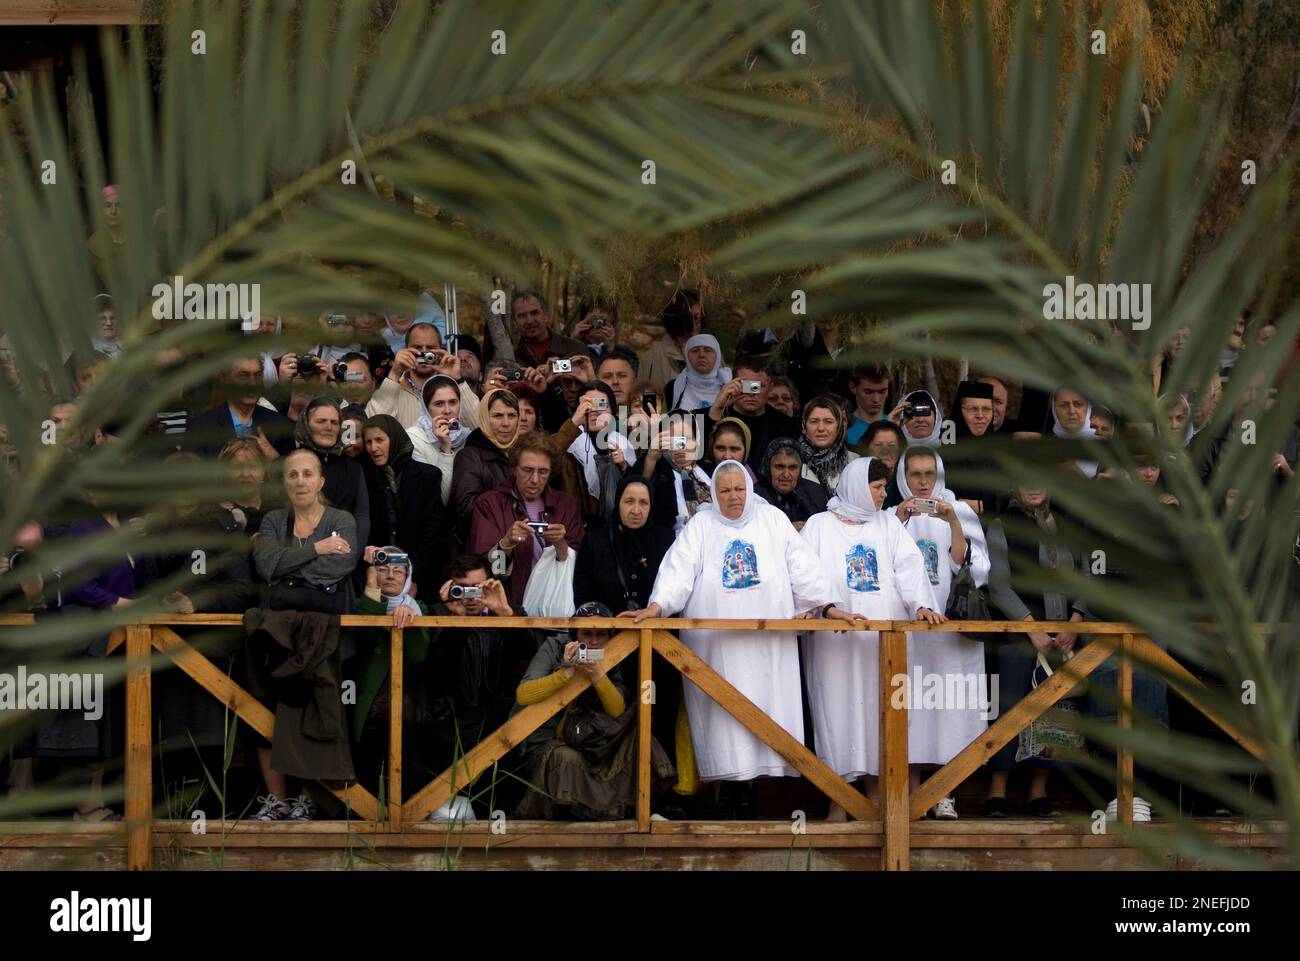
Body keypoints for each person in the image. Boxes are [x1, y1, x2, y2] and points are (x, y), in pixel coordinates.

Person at [625, 461, 856, 818]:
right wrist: (657, 606)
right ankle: (726, 795)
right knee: (720, 719)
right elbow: (678, 570)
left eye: (738, 489)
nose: (733, 497)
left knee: (760, 712)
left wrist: (828, 606)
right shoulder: (701, 525)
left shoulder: (773, 520)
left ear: (749, 490)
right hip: (716, 647)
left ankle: (749, 793)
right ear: (714, 494)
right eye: (724, 491)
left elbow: (803, 568)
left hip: (765, 646)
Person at [800, 458, 945, 818]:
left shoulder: (888, 526)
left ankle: (878, 802)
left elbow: (909, 570)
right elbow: (804, 573)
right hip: (835, 645)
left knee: (880, 715)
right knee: (836, 714)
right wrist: (824, 607)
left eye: (883, 487)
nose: (884, 494)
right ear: (855, 486)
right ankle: (839, 801)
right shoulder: (819, 526)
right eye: (877, 487)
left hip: (885, 642)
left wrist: (922, 604)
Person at [248, 448, 358, 821]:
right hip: (277, 636)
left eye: (307, 474)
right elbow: (265, 565)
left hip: (323, 636)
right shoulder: (273, 520)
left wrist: (288, 575)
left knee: (314, 712)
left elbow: (340, 566)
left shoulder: (340, 519)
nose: (300, 481)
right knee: (271, 711)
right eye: (292, 475)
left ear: (320, 480)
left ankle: (310, 797)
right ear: (284, 482)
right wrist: (316, 548)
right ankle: (277, 800)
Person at [893, 446, 990, 818]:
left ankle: (945, 793)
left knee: (950, 709)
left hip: (951, 631)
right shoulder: (891, 515)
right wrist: (899, 521)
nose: (921, 482)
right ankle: (911, 794)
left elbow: (975, 571)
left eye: (928, 475)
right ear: (904, 475)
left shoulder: (960, 511)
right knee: (911, 709)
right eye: (915, 474)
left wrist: (952, 522)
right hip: (911, 632)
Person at [515, 602, 676, 820]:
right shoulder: (555, 646)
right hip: (552, 737)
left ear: (610, 636)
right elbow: (524, 694)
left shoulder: (612, 652)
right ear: (574, 633)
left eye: (601, 634)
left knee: (640, 737)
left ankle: (646, 810)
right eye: (586, 633)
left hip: (595, 738)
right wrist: (563, 673)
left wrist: (598, 675)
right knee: (563, 757)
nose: (592, 641)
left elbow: (617, 709)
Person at [986, 485, 1086, 818]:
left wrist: (1075, 620)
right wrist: (1032, 628)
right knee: (1010, 707)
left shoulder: (1068, 526)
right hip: (1019, 635)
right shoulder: (1003, 524)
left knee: (1057, 710)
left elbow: (1087, 575)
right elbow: (998, 582)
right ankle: (997, 791)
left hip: (1064, 637)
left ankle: (1037, 792)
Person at [348, 546, 432, 794]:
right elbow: (361, 639)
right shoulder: (358, 604)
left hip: (408, 710)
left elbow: (419, 655)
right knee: (365, 773)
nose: (391, 575)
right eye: (383, 569)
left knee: (406, 777)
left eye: (399, 570)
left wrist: (411, 622)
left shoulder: (420, 608)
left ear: (408, 577)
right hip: (368, 708)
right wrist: (371, 587)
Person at [469, 432, 584, 607]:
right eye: (528, 470)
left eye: (543, 471)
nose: (535, 479)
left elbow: (579, 569)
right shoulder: (490, 503)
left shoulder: (566, 505)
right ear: (514, 468)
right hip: (507, 608)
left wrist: (561, 544)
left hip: (552, 606)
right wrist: (507, 543)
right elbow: (490, 573)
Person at [362, 415, 443, 595]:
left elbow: (432, 534)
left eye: (380, 440)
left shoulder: (427, 477)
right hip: (377, 581)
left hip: (418, 582)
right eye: (368, 442)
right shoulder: (365, 480)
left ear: (395, 438)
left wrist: (413, 579)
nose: (374, 448)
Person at [365, 322, 478, 430]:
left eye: (430, 348)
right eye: (417, 347)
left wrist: (458, 380)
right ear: (405, 350)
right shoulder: (394, 386)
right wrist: (394, 375)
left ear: (440, 350)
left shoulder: (453, 386)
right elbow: (374, 426)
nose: (423, 353)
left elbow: (478, 427)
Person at [293, 397, 371, 549]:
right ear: (306, 425)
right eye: (321, 421)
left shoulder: (353, 468)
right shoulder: (288, 463)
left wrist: (350, 556)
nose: (328, 427)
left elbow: (362, 517)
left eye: (334, 422)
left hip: (343, 558)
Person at [184, 356, 294, 459]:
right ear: (224, 380)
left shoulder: (281, 427)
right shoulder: (200, 428)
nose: (252, 383)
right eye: (243, 375)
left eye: (257, 375)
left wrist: (274, 458)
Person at [705, 355, 800, 475]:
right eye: (746, 385)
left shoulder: (786, 425)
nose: (751, 393)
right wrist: (717, 408)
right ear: (733, 384)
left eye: (757, 386)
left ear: (770, 387)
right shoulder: (713, 414)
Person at [449, 388, 521, 537]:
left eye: (512, 415)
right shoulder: (469, 457)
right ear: (484, 418)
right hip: (487, 545)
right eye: (498, 416)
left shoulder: (526, 453)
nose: (506, 423)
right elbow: (467, 509)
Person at [641, 412, 713, 534]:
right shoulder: (658, 472)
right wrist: (650, 458)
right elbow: (641, 486)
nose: (681, 447)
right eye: (674, 441)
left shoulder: (708, 472)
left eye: (687, 439)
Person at [407, 374, 471, 505]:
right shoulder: (414, 438)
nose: (447, 411)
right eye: (439, 404)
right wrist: (445, 447)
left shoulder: (467, 437)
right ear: (426, 408)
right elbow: (441, 498)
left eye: (453, 402)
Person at [946, 379, 1000, 516]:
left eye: (987, 409)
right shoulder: (946, 448)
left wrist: (984, 506)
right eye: (973, 409)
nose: (980, 416)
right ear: (960, 411)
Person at [499, 290, 591, 367]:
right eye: (522, 316)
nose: (529, 321)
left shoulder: (575, 350)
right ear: (515, 323)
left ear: (546, 315)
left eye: (534, 313)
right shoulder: (511, 360)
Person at [754, 437, 828, 530]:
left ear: (800, 469)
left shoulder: (816, 493)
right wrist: (787, 529)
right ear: (768, 468)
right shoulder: (755, 497)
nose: (786, 475)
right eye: (779, 467)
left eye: (793, 467)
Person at [797, 395, 858, 495]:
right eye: (814, 421)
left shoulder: (855, 462)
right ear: (804, 425)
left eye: (828, 422)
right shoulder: (792, 459)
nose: (821, 428)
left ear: (839, 426)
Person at [639, 290, 699, 392]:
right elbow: (641, 389)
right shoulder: (653, 352)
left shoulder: (710, 350)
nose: (695, 323)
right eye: (691, 318)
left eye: (698, 317)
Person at [667, 334, 731, 412]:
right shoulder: (672, 387)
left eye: (707, 350)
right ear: (687, 356)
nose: (701, 355)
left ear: (717, 355)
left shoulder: (730, 385)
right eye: (695, 350)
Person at [845, 365, 891, 448]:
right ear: (853, 387)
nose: (876, 399)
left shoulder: (896, 425)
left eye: (882, 392)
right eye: (868, 392)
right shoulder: (843, 428)